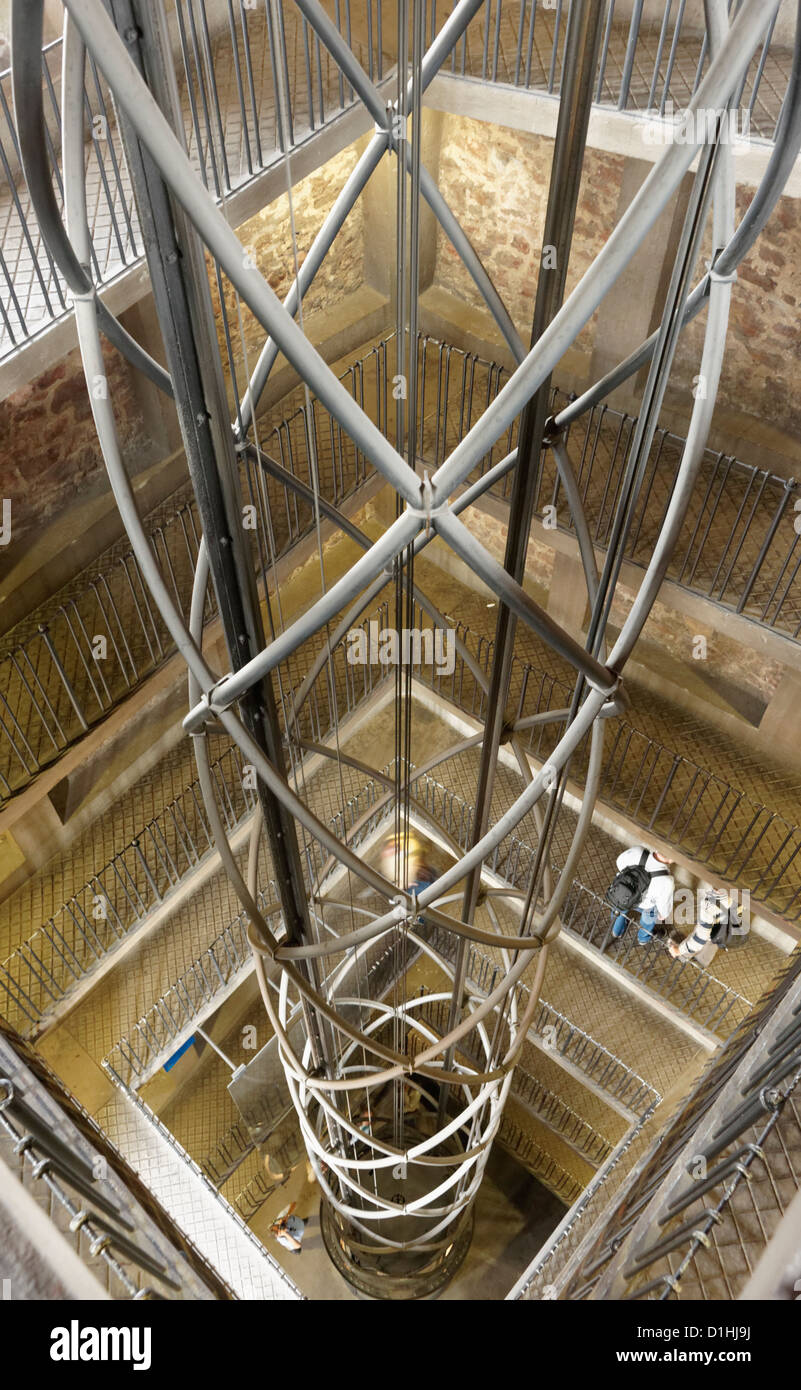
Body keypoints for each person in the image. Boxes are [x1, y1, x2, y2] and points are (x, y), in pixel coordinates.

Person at [606, 844, 674, 945]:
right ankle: (643, 938)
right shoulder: (667, 881)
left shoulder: (638, 851)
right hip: (646, 905)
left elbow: (619, 861)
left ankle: (616, 931)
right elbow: (664, 906)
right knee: (652, 913)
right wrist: (662, 915)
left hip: (625, 896)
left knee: (620, 903)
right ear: (671, 859)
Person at [668, 887, 740, 963]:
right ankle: (702, 961)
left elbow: (699, 940)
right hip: (723, 931)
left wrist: (679, 951)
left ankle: (685, 957)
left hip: (712, 931)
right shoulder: (739, 895)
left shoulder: (711, 905)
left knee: (703, 937)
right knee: (712, 942)